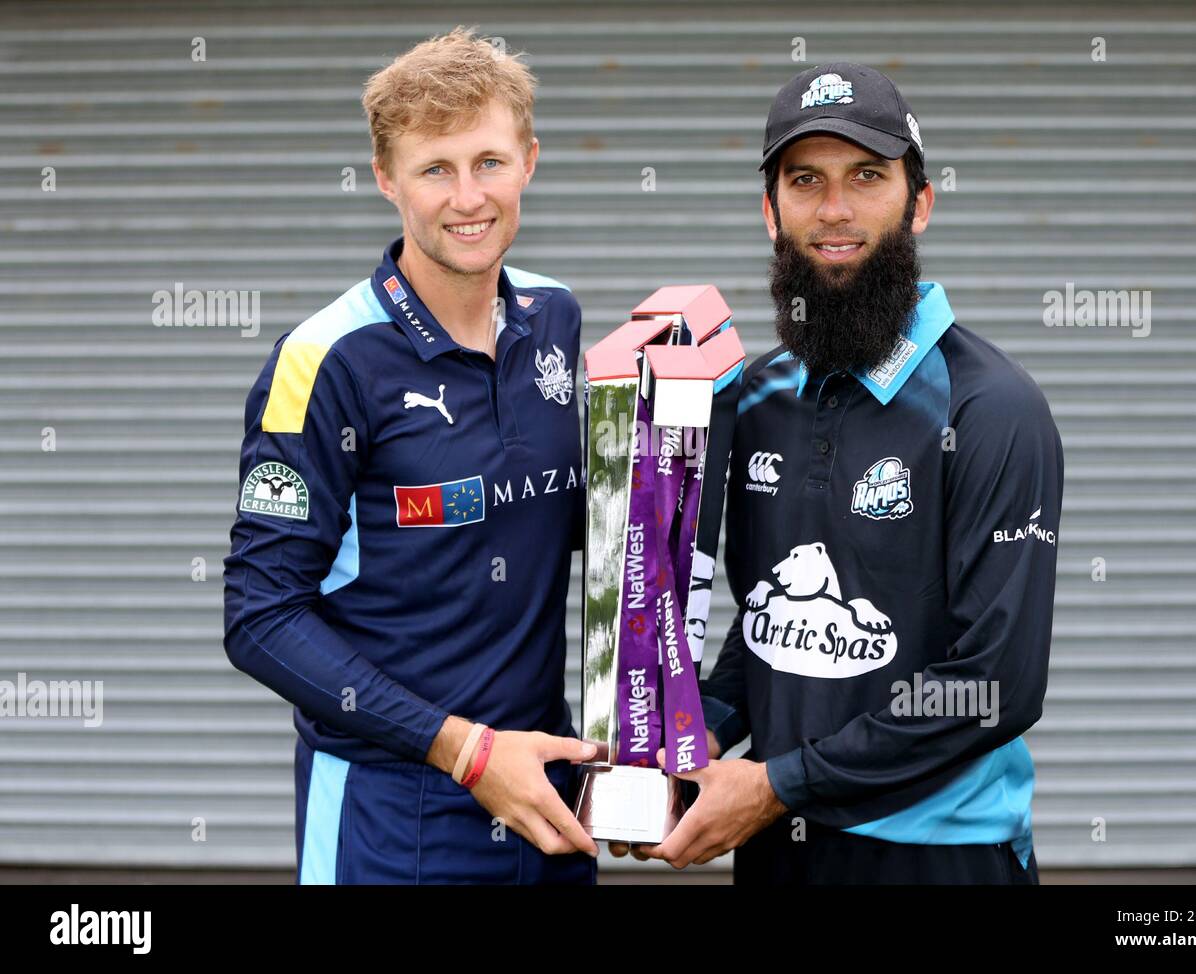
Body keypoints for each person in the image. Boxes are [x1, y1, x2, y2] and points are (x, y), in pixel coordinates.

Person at [615, 63, 1064, 884]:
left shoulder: (990, 407)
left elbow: (996, 683)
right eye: (805, 180)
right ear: (770, 211)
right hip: (780, 849)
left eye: (867, 177)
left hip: (942, 858)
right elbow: (767, 639)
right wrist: (675, 736)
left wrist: (780, 784)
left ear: (919, 202)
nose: (835, 210)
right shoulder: (754, 399)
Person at [222, 28, 598, 884]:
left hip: (544, 792)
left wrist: (667, 438)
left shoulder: (556, 317)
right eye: (436, 169)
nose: (468, 197)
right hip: (390, 814)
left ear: (529, 161)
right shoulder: (323, 362)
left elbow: (554, 519)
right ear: (386, 178)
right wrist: (464, 752)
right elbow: (258, 615)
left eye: (489, 162)